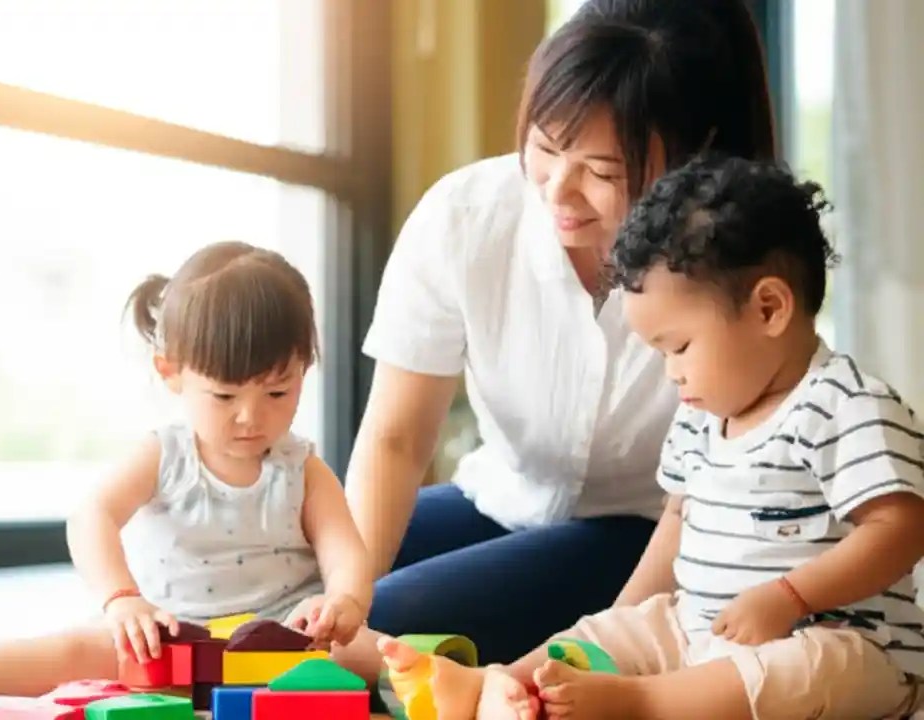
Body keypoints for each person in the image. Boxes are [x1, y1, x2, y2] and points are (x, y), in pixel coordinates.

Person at [379, 156, 924, 720]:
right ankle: (502, 688)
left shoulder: (844, 405)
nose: (671, 372)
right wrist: (616, 629)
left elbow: (901, 528)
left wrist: (792, 597)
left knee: (812, 667)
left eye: (680, 348)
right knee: (617, 627)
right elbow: (675, 523)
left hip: (842, 644)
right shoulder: (701, 416)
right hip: (700, 628)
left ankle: (637, 704)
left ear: (769, 307)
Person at [348, 0, 781, 663]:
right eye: (546, 148)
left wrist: (608, 647)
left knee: (398, 619)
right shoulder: (467, 216)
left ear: (697, 151)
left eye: (604, 173)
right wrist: (344, 597)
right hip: (499, 496)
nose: (559, 191)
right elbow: (397, 438)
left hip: (644, 532)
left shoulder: (740, 273)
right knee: (299, 572)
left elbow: (699, 499)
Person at [0, 241, 373, 717]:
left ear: (304, 370)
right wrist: (122, 598)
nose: (250, 417)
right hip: (166, 633)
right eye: (224, 397)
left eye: (278, 393)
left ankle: (441, 679)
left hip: (282, 635)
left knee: (368, 651)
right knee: (69, 650)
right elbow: (94, 516)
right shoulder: (165, 454)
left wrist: (343, 602)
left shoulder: (302, 467)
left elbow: (344, 547)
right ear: (170, 372)